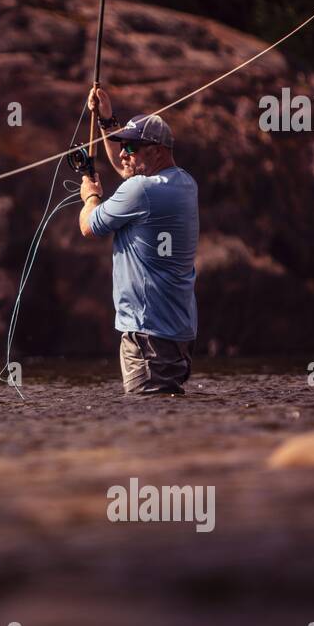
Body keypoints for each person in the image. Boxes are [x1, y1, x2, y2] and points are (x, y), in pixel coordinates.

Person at [78, 85, 199, 395]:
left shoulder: (141, 191)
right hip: (175, 332)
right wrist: (106, 121)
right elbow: (127, 171)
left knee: (148, 420)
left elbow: (89, 227)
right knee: (166, 417)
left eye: (130, 147)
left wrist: (90, 195)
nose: (122, 154)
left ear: (156, 151)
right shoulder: (184, 184)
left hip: (147, 334)